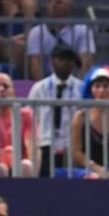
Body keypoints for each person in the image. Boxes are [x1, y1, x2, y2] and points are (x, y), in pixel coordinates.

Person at [70, 65, 109, 179]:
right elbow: (76, 152)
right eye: (97, 86)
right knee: (93, 178)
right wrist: (96, 168)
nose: (101, 90)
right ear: (90, 89)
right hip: (88, 171)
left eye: (105, 86)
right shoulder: (80, 117)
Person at [27, 43, 82, 177]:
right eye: (61, 59)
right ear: (52, 61)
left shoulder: (81, 88)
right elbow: (29, 118)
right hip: (45, 143)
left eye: (69, 59)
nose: (66, 63)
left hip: (71, 145)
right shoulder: (39, 88)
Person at [25, 0, 94, 80]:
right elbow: (35, 63)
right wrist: (44, 87)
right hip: (47, 82)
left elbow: (86, 61)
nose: (53, 5)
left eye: (58, 2)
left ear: (69, 7)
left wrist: (78, 87)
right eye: (50, 1)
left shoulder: (83, 30)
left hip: (75, 81)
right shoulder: (37, 32)